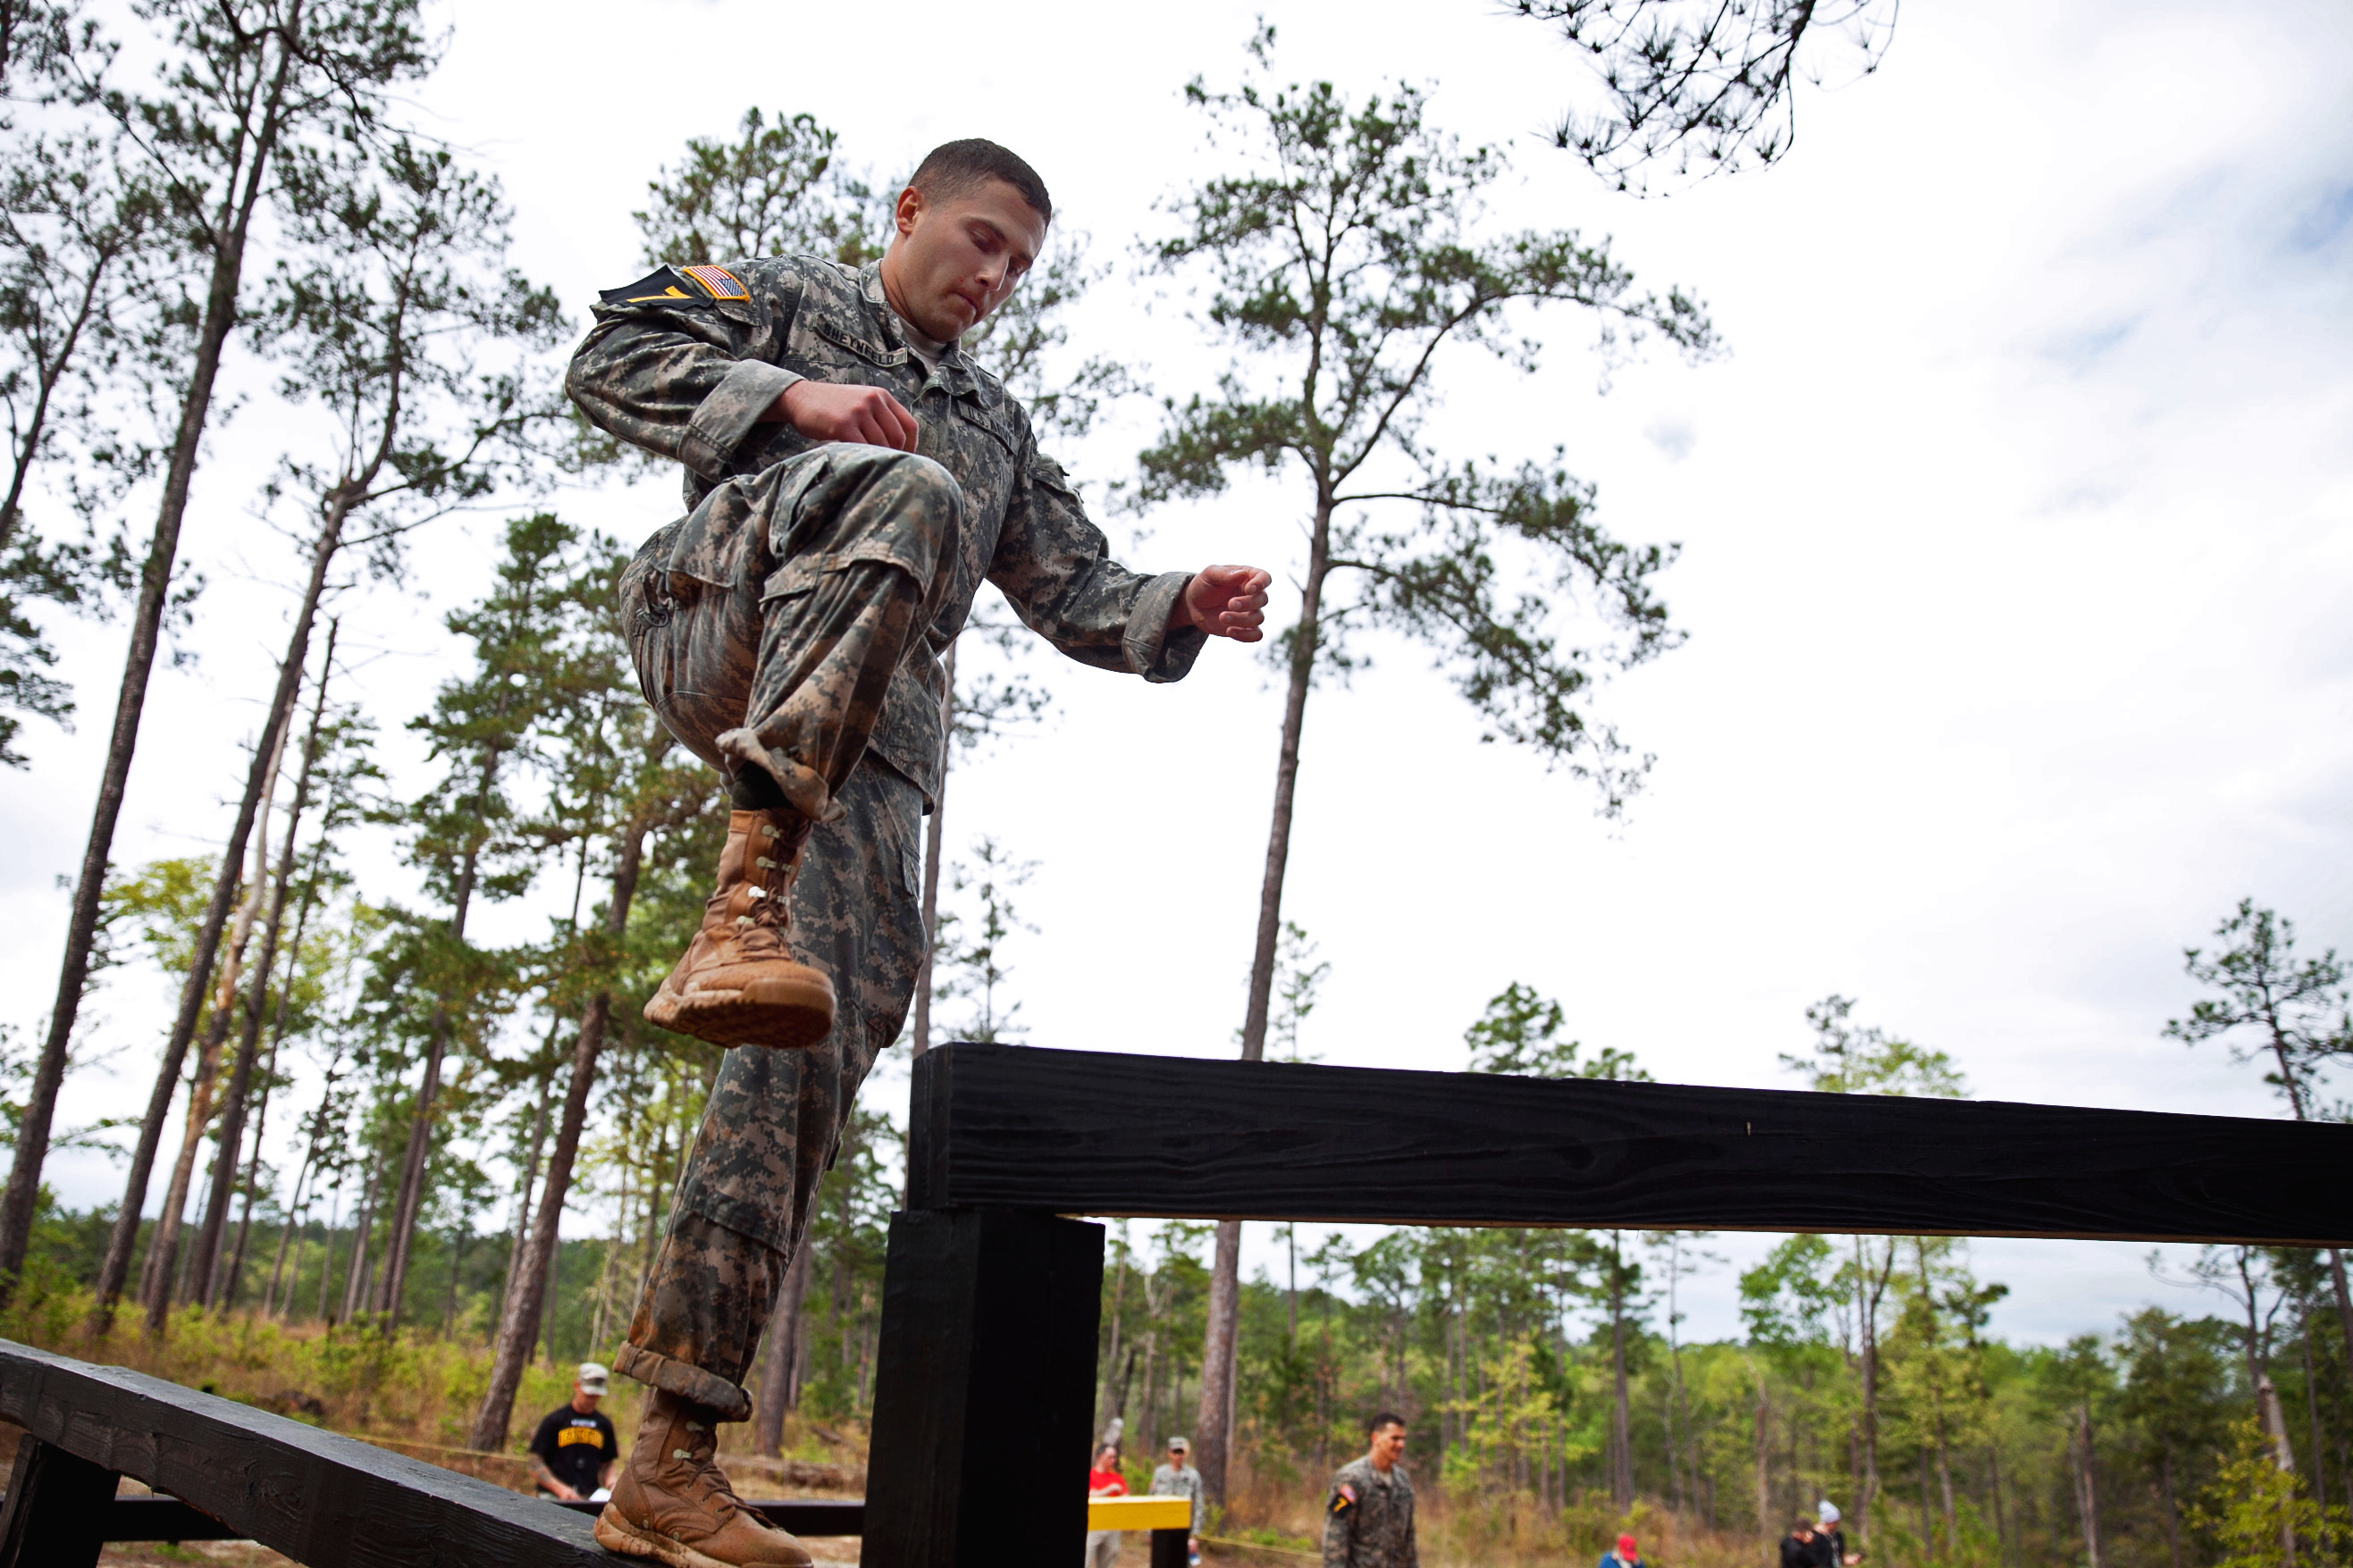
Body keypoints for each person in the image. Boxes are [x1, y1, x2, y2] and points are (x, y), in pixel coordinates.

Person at [568, 137, 1272, 1568]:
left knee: (805, 1049)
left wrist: (1180, 600)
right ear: (909, 211)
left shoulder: (995, 423)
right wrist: (792, 396)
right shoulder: (784, 296)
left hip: (871, 746)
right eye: (978, 237)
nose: (994, 276)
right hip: (721, 616)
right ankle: (741, 886)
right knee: (910, 494)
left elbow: (1076, 587)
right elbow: (607, 361)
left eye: (1020, 263)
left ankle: (671, 1456)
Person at [1324, 1413, 1416, 1568]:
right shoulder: (1352, 1479)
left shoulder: (1403, 1482)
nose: (1401, 1445)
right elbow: (1336, 1533)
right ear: (1375, 1438)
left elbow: (1408, 1539)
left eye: (1403, 1439)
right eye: (1394, 1438)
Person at [528, 1363, 619, 1503]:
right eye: (588, 1395)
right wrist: (560, 1489)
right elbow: (534, 1463)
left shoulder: (604, 1424)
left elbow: (607, 1463)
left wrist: (612, 1484)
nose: (592, 1400)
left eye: (596, 1396)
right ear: (577, 1386)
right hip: (554, 1498)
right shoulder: (555, 1421)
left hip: (589, 1497)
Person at [1149, 1435, 1204, 1566]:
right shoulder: (1159, 1474)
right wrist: (1149, 1532)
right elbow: (1151, 1501)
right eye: (1175, 1452)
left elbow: (1198, 1507)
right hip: (1161, 1530)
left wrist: (1194, 1536)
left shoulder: (1192, 1476)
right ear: (1169, 1453)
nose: (1178, 1456)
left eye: (1181, 1452)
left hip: (1183, 1531)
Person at [1085, 1444, 1128, 1568]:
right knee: (1086, 1560)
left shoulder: (1117, 1478)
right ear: (1100, 1457)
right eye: (1110, 1457)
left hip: (1112, 1526)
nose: (1113, 1460)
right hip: (1092, 1526)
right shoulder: (1090, 1475)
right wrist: (1109, 1490)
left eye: (1115, 1457)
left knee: (1108, 1563)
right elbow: (1089, 1495)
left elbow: (1127, 1498)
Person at [1817, 1501, 1861, 1566]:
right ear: (1828, 1521)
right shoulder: (1815, 1537)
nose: (1837, 1524)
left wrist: (1851, 1559)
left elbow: (1842, 1559)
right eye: (1834, 1522)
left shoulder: (1838, 1536)